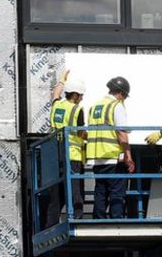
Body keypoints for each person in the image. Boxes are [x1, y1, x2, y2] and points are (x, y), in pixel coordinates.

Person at [85, 76, 134, 219]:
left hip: (96, 157)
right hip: (112, 156)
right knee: (116, 192)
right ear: (121, 93)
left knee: (100, 191)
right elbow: (121, 133)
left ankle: (98, 220)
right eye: (124, 97)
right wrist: (128, 156)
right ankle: (116, 221)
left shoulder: (94, 107)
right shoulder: (116, 106)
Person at [47, 75, 87, 222]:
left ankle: (51, 223)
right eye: (81, 95)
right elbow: (81, 133)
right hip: (72, 155)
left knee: (56, 194)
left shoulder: (57, 105)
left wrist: (62, 80)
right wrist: (92, 136)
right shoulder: (77, 109)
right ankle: (77, 218)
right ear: (75, 95)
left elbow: (55, 94)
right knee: (76, 190)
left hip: (55, 155)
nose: (82, 98)